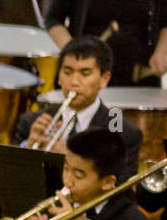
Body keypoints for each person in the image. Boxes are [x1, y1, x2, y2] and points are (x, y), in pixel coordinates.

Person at [13, 36, 143, 172]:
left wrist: (70, 160)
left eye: (85, 73)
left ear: (104, 79)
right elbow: (6, 181)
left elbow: (120, 189)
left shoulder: (122, 134)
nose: (74, 82)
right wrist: (27, 149)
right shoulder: (30, 122)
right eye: (67, 72)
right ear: (58, 77)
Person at [45, 0, 167, 87]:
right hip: (88, 77)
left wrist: (161, 53)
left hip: (139, 79)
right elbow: (53, 18)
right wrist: (75, 53)